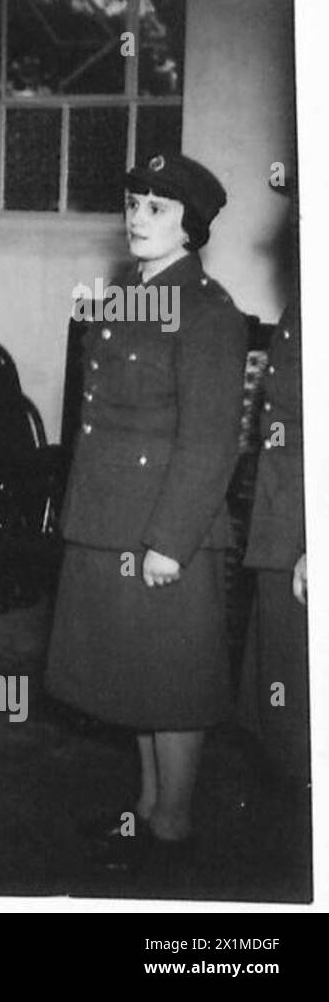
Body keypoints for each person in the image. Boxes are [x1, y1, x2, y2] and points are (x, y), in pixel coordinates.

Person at [44, 154, 249, 872]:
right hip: (108, 517)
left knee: (174, 684)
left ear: (190, 227)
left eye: (158, 208)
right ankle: (147, 806)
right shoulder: (128, 292)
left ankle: (175, 825)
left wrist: (169, 541)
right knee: (135, 677)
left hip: (166, 526)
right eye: (134, 202)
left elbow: (211, 438)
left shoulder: (208, 312)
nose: (137, 217)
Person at [239, 179, 307, 788]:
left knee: (296, 720)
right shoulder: (303, 302)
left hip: (302, 534)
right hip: (280, 518)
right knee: (274, 705)